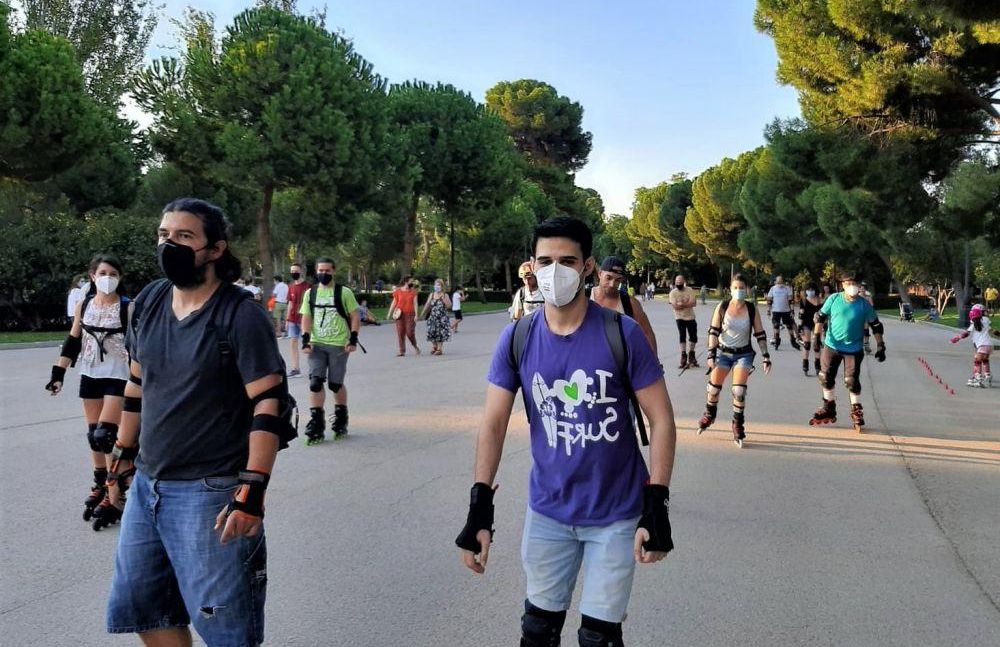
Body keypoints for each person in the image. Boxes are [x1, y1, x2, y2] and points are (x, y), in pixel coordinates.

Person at [456, 217, 676, 647]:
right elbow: (494, 423)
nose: (555, 271)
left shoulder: (621, 333)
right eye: (545, 261)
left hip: (615, 514)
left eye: (567, 261)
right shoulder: (517, 336)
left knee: (599, 638)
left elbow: (662, 419)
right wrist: (479, 507)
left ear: (588, 266)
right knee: (537, 632)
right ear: (530, 267)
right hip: (548, 512)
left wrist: (658, 504)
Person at [106, 198, 288, 646]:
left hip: (211, 491)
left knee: (226, 629)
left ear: (215, 249)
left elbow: (270, 404)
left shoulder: (239, 315)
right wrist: (120, 459)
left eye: (184, 236)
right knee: (146, 609)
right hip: (148, 484)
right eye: (164, 235)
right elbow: (136, 387)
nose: (170, 244)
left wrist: (253, 491)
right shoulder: (148, 301)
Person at [45, 255, 130, 527]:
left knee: (107, 435)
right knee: (94, 436)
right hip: (90, 373)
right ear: (92, 276)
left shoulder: (128, 308)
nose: (108, 277)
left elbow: (141, 344)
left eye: (113, 272)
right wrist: (57, 374)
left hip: (119, 376)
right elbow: (73, 341)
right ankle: (100, 483)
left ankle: (115, 494)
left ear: (119, 277)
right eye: (103, 272)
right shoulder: (84, 305)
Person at [698, 274, 771, 447]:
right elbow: (713, 331)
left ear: (746, 289)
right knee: (713, 388)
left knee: (739, 391)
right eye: (735, 288)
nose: (739, 291)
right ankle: (710, 415)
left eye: (741, 288)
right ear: (730, 290)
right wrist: (710, 354)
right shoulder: (722, 307)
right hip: (723, 353)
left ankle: (737, 424)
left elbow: (759, 334)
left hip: (743, 355)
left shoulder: (751, 308)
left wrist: (766, 356)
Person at [809, 270, 886, 431]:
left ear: (859, 285)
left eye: (854, 284)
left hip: (854, 348)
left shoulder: (864, 304)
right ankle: (829, 408)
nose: (851, 286)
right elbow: (820, 317)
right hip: (832, 345)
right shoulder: (834, 299)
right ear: (842, 285)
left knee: (851, 380)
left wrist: (880, 345)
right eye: (848, 283)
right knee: (825, 377)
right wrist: (816, 337)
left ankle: (856, 410)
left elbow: (876, 325)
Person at [300, 257, 361, 444]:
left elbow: (354, 316)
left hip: (339, 345)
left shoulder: (344, 292)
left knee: (335, 384)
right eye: (320, 270)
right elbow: (307, 316)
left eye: (327, 271)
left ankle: (341, 418)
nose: (323, 274)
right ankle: (316, 422)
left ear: (334, 271)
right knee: (315, 382)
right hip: (317, 344)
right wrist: (305, 339)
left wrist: (353, 339)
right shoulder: (310, 293)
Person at [591, 256, 658, 355]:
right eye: (608, 278)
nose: (612, 284)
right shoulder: (584, 298)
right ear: (600, 274)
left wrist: (654, 364)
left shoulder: (629, 303)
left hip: (621, 366)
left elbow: (647, 334)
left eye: (617, 280)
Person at [951, 303, 993, 387]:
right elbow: (993, 331)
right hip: (989, 345)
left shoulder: (974, 324)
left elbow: (966, 334)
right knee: (985, 360)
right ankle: (987, 377)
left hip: (982, 346)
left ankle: (977, 378)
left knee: (977, 361)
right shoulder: (986, 320)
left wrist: (958, 338)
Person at [284, 262, 311, 378]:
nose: (294, 273)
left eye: (296, 271)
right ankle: (295, 369)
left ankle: (315, 368)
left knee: (308, 343)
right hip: (292, 319)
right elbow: (290, 302)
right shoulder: (290, 286)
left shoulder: (308, 286)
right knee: (293, 343)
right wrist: (286, 319)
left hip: (304, 318)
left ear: (301, 272)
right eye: (292, 271)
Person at [668, 274, 699, 370]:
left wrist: (682, 304)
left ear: (684, 282)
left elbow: (694, 303)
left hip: (690, 317)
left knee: (693, 336)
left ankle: (692, 354)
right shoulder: (673, 293)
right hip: (679, 317)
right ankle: (683, 355)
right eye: (677, 282)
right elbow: (675, 306)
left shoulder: (689, 290)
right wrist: (686, 304)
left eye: (680, 282)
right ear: (675, 283)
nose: (679, 284)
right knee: (682, 335)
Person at [766, 275, 800, 350]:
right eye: (778, 281)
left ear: (783, 281)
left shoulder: (787, 288)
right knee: (776, 325)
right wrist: (768, 310)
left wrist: (792, 311)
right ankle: (777, 339)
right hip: (776, 310)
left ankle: (793, 340)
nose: (779, 282)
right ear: (776, 282)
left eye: (781, 281)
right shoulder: (773, 289)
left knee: (789, 326)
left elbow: (791, 301)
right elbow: (769, 301)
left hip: (786, 311)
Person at [389, 276, 421, 356]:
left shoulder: (413, 291)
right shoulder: (398, 291)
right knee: (400, 333)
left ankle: (415, 346)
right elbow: (394, 302)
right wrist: (390, 313)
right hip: (399, 314)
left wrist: (416, 314)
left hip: (410, 314)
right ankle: (402, 351)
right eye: (411, 281)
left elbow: (415, 303)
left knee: (410, 332)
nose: (412, 283)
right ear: (406, 282)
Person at [421, 278, 453, 355]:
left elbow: (449, 306)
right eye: (435, 285)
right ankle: (434, 346)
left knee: (440, 333)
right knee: (431, 331)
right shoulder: (432, 295)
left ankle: (439, 349)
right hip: (433, 317)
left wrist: (443, 299)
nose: (436, 286)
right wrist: (422, 314)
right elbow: (427, 305)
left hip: (442, 317)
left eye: (438, 285)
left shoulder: (445, 295)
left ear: (442, 286)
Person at [798, 283, 822, 376]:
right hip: (806, 323)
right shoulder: (803, 301)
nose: (810, 291)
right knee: (807, 345)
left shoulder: (820, 300)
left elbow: (823, 314)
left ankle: (817, 365)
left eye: (812, 289)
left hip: (817, 324)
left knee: (816, 344)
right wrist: (800, 326)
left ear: (815, 290)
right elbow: (801, 314)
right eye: (808, 289)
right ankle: (805, 364)